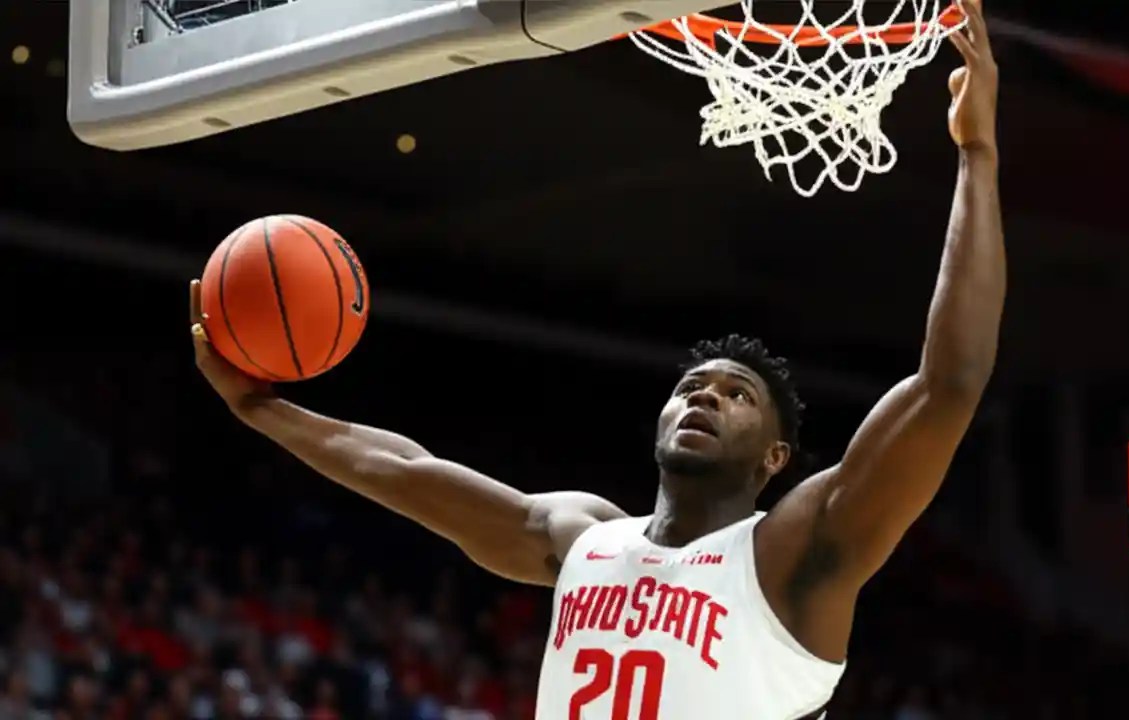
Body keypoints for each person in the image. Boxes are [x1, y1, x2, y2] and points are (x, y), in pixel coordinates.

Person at [189, 1, 1002, 716]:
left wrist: (977, 157)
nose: (704, 399)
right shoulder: (583, 537)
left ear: (775, 456)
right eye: (691, 386)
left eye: (735, 395)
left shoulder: (793, 557)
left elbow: (948, 385)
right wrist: (261, 409)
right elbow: (404, 469)